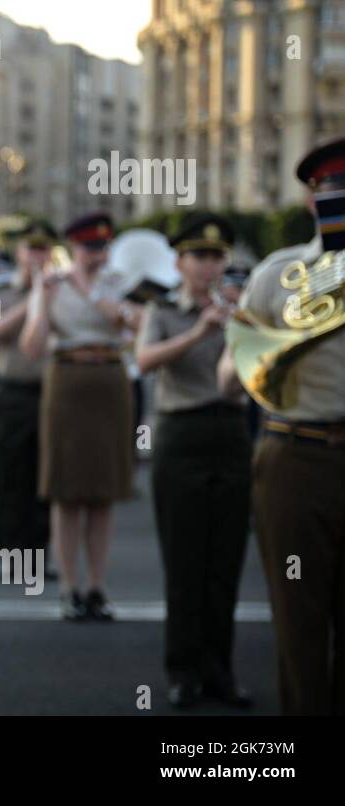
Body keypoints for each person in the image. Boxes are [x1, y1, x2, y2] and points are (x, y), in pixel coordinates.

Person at [219, 137, 345, 715]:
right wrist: (257, 355)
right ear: (312, 197)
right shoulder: (278, 273)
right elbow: (231, 375)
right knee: (298, 621)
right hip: (294, 457)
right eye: (330, 191)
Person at [136, 213, 252, 708]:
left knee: (225, 563)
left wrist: (238, 321)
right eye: (198, 257)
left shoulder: (241, 311)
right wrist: (199, 331)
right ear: (180, 263)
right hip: (180, 433)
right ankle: (182, 670)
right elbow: (144, 361)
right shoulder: (162, 308)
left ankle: (219, 669)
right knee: (185, 562)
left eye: (216, 257)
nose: (208, 266)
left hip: (230, 430)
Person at [21, 212, 138, 621]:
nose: (97, 255)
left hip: (110, 378)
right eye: (90, 248)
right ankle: (70, 587)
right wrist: (43, 301)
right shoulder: (52, 283)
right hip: (67, 380)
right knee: (67, 489)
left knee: (104, 491)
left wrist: (111, 306)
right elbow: (32, 347)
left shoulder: (120, 281)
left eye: (102, 247)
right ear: (73, 247)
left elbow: (140, 328)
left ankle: (97, 587)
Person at [0, 218, 54, 552]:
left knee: (47, 475)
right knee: (13, 473)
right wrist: (34, 300)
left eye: (44, 249)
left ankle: (39, 551)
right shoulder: (0, 291)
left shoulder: (61, 290)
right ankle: (14, 549)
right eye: (32, 249)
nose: (38, 257)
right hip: (14, 391)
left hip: (53, 392)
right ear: (19, 253)